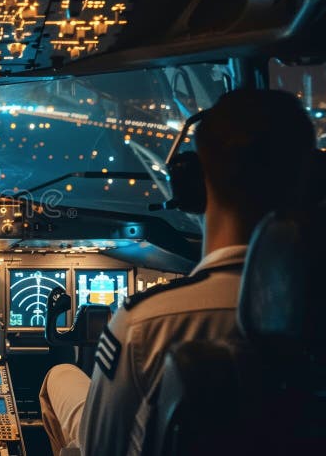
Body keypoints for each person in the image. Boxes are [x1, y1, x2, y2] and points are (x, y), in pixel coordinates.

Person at [39, 89, 317, 455]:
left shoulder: (145, 323)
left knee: (60, 376)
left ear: (194, 186)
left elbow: (99, 448)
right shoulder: (313, 309)